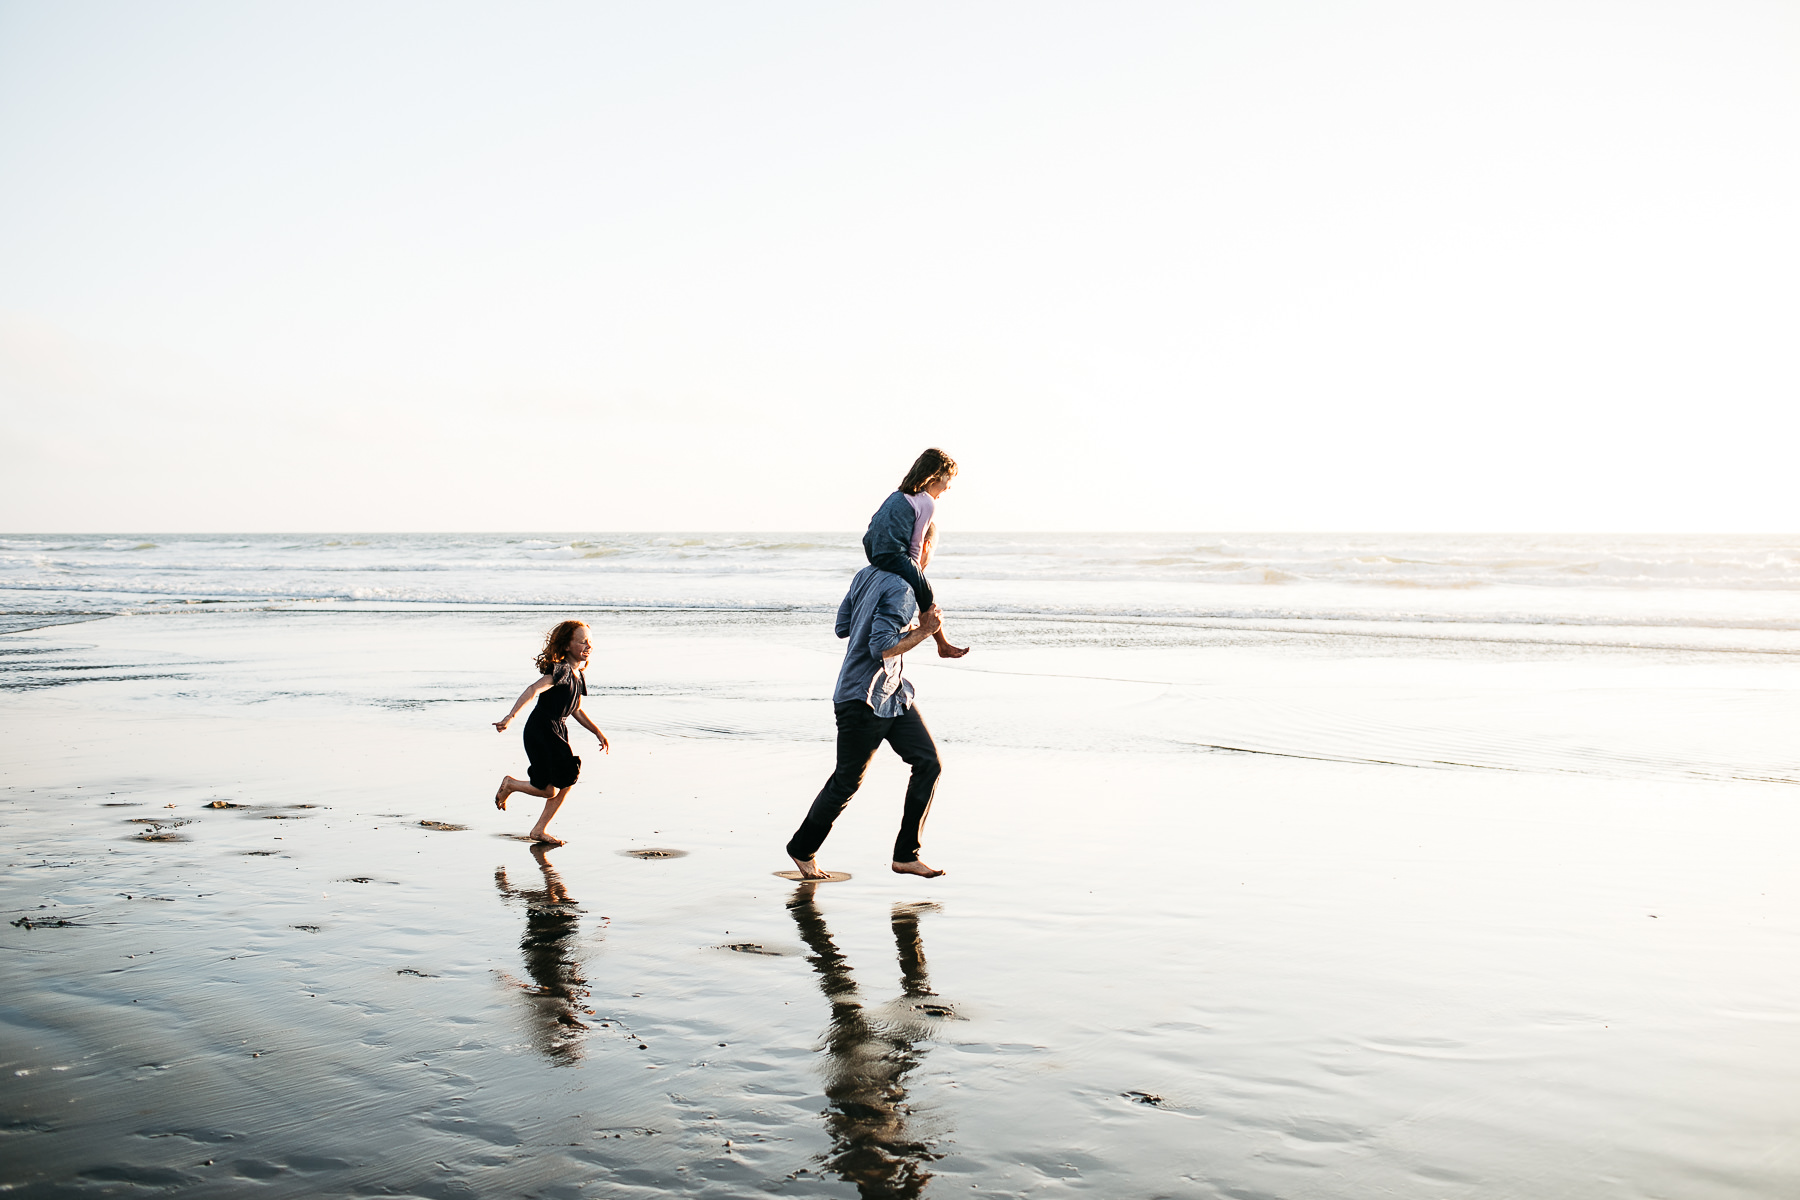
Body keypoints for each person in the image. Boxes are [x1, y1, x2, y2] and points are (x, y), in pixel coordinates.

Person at [787, 523, 949, 880]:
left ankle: (906, 855)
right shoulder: (906, 586)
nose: (933, 553)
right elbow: (881, 647)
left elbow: (843, 626)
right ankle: (802, 848)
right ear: (921, 545)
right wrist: (923, 631)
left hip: (892, 695)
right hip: (862, 698)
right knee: (846, 781)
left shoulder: (866, 574)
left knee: (928, 762)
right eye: (933, 545)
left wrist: (907, 631)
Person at [493, 620, 609, 846]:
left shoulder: (578, 675)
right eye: (582, 641)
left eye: (590, 642)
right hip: (541, 729)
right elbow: (533, 689)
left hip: (557, 730)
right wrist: (511, 716)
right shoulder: (562, 670)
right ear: (567, 645)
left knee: (558, 783)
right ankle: (511, 785)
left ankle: (538, 829)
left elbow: (575, 708)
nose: (588, 646)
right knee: (554, 786)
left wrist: (597, 732)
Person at [863, 448, 969, 659]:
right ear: (933, 480)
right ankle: (943, 645)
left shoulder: (897, 496)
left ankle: (928, 637)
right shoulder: (926, 502)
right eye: (945, 486)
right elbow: (917, 540)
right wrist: (916, 570)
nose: (945, 491)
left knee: (920, 591)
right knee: (926, 594)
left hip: (874, 552)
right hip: (893, 554)